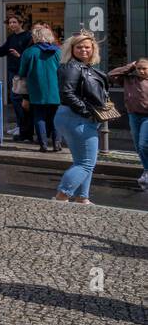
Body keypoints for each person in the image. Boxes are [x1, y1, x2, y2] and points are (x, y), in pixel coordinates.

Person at [54, 31, 110, 205]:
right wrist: (87, 112)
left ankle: (82, 198)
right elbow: (67, 94)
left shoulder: (84, 67)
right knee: (85, 163)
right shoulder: (72, 66)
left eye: (87, 47)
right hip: (77, 117)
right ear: (72, 49)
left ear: (93, 49)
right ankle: (61, 196)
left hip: (77, 117)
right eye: (79, 47)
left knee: (85, 162)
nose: (83, 50)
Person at [18, 25, 61, 153]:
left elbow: (22, 73)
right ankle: (57, 144)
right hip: (56, 91)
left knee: (39, 117)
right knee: (55, 118)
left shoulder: (29, 52)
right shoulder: (58, 52)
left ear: (35, 37)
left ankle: (43, 145)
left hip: (36, 90)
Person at [109, 57, 148, 190]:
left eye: (144, 68)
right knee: (138, 145)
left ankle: (147, 170)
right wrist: (130, 66)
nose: (141, 71)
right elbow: (111, 75)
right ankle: (146, 170)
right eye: (139, 68)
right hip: (133, 115)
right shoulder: (129, 79)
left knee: (143, 145)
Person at [0, 14, 33, 142]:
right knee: (15, 100)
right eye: (10, 23)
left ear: (21, 23)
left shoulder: (28, 36)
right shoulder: (11, 38)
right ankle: (19, 125)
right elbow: (1, 52)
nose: (12, 25)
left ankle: (24, 128)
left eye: (14, 22)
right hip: (13, 72)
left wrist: (19, 55)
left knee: (22, 100)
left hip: (23, 73)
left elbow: (30, 56)